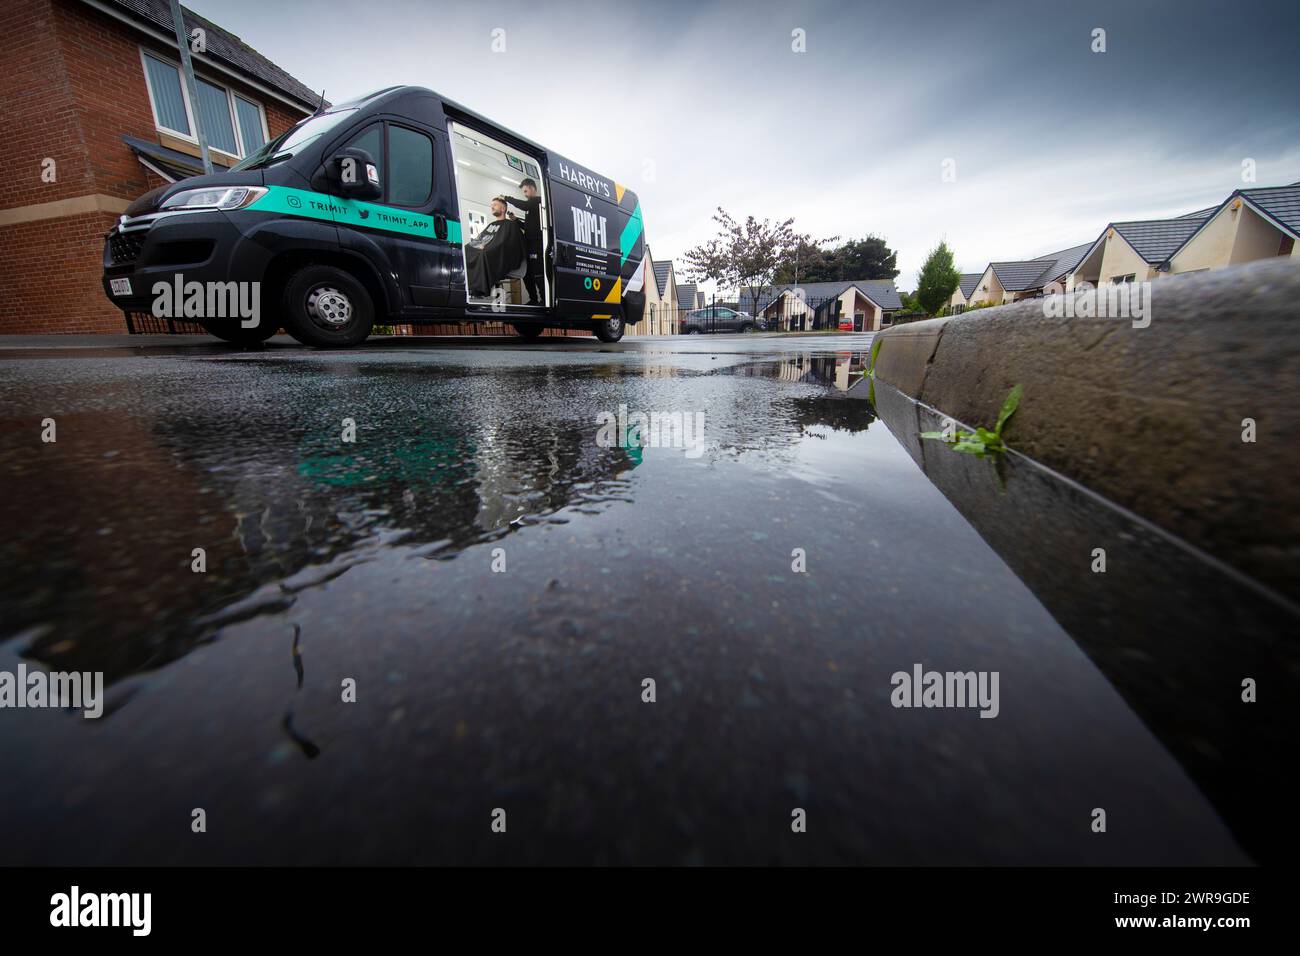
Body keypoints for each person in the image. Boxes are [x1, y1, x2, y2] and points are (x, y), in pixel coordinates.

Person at [464, 197, 525, 299]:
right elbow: (480, 239)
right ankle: (468, 287)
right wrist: (477, 245)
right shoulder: (491, 225)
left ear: (503, 209)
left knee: (483, 253)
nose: (492, 207)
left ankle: (479, 290)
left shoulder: (510, 224)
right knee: (466, 250)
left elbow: (506, 244)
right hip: (487, 249)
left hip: (499, 255)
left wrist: (487, 247)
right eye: (491, 205)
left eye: (495, 205)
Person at [503, 178, 543, 305]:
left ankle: (544, 300)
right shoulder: (530, 206)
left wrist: (507, 198)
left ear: (532, 188)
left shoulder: (538, 201)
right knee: (527, 273)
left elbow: (524, 205)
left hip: (537, 245)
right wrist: (516, 220)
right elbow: (528, 227)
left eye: (526, 191)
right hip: (529, 244)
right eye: (523, 192)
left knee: (537, 273)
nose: (525, 194)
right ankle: (533, 299)